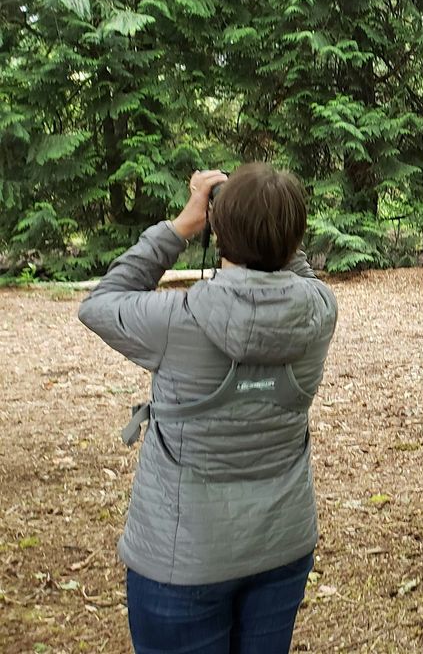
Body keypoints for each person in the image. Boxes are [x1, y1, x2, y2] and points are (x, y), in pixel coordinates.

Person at [78, 165, 338, 654]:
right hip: (281, 545)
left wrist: (180, 226)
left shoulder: (175, 321)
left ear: (219, 230)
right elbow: (293, 270)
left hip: (182, 557)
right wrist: (271, 226)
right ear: (296, 236)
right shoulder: (321, 310)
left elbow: (101, 303)